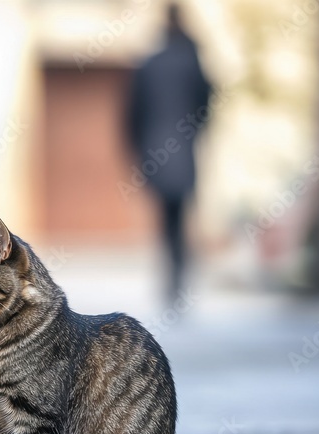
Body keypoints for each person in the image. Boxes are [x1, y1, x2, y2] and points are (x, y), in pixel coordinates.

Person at [126, 3, 212, 298]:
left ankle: (173, 276)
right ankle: (178, 274)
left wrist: (137, 149)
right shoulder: (192, 59)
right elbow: (206, 102)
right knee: (180, 213)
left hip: (156, 150)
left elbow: (132, 112)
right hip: (183, 148)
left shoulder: (151, 63)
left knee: (167, 216)